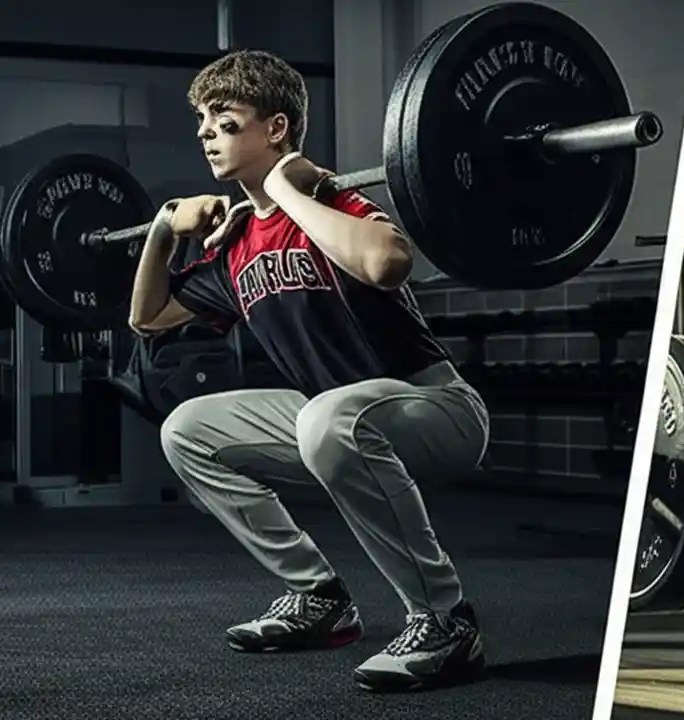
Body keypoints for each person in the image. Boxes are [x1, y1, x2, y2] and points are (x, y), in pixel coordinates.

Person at [127, 49, 490, 694]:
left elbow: (386, 264)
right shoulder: (235, 244)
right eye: (202, 121)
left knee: (329, 417)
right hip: (331, 420)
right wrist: (164, 226)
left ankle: (444, 620)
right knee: (187, 429)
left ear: (277, 129)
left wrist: (290, 191)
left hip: (433, 406)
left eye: (225, 118)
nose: (206, 132)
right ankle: (318, 596)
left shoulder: (331, 198)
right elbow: (148, 318)